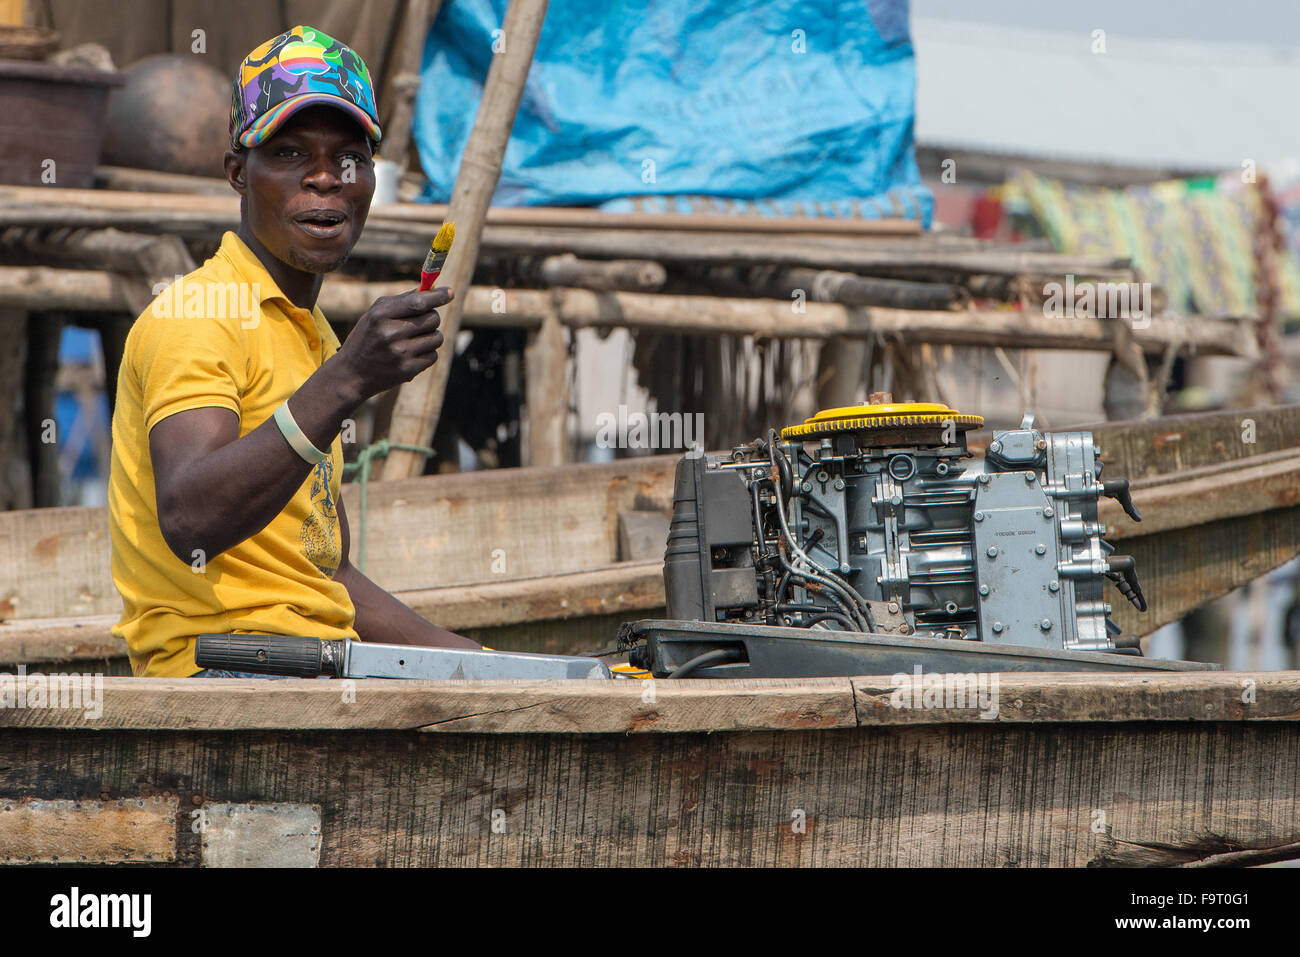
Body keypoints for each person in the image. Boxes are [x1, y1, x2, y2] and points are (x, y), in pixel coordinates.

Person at [108, 25, 478, 678]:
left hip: (309, 667)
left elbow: (324, 572)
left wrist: (480, 661)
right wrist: (346, 381)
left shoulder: (315, 337)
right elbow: (191, 518)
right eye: (289, 154)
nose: (324, 179)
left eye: (349, 158)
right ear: (237, 174)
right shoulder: (200, 313)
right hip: (218, 680)